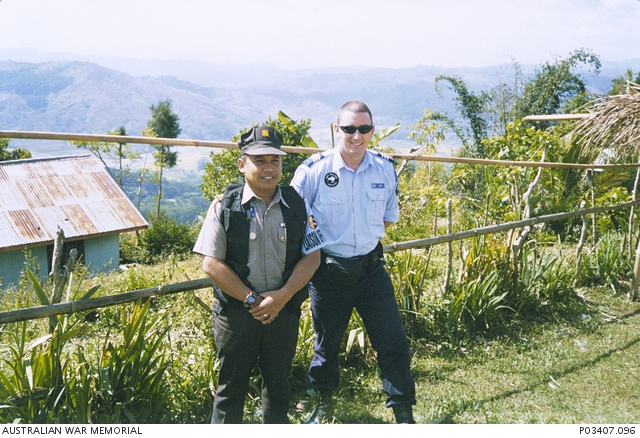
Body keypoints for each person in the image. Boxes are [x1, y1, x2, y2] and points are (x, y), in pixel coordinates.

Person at [291, 101, 416, 424]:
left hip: (371, 270)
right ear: (337, 130)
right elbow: (294, 219)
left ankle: (403, 413)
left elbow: (387, 219)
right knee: (327, 344)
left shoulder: (384, 168)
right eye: (349, 129)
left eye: (363, 129)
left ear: (372, 131)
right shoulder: (314, 170)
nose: (356, 136)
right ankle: (324, 403)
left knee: (393, 341)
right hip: (329, 273)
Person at [193, 126, 326, 424]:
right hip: (237, 314)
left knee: (279, 386)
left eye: (275, 161)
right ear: (242, 165)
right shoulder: (225, 206)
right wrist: (253, 299)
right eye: (260, 160)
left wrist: (282, 297)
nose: (269, 168)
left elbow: (312, 256)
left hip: (283, 312)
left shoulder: (298, 206)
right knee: (230, 388)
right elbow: (211, 264)